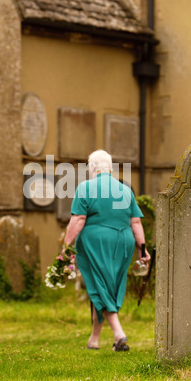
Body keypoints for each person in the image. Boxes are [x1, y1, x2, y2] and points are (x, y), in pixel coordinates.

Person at [63, 149, 150, 351]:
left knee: (99, 286)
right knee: (105, 287)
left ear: (92, 168)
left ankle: (119, 334)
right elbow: (135, 222)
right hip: (123, 243)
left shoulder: (86, 188)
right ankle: (94, 339)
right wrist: (142, 249)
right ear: (110, 168)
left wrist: (65, 247)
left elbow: (78, 219)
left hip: (96, 243)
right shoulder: (125, 190)